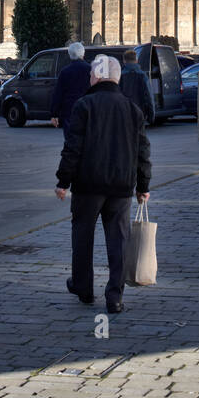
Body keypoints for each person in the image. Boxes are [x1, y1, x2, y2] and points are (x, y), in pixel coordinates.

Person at [56, 54, 151, 315]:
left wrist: (63, 180)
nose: (88, 78)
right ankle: (115, 296)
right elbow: (143, 150)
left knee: (83, 237)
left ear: (97, 77)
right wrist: (143, 185)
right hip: (121, 186)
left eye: (90, 75)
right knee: (118, 241)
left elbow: (73, 147)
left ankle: (84, 287)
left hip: (88, 185)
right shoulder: (132, 109)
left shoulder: (84, 105)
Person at [50, 41, 92, 136]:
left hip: (69, 110)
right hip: (87, 109)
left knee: (71, 140)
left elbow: (58, 94)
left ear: (70, 55)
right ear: (83, 53)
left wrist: (54, 114)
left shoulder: (65, 72)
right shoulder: (90, 70)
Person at [119, 49, 154, 125]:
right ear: (136, 60)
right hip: (140, 112)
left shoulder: (120, 76)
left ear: (124, 61)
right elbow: (149, 96)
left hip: (124, 113)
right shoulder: (142, 75)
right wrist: (151, 115)